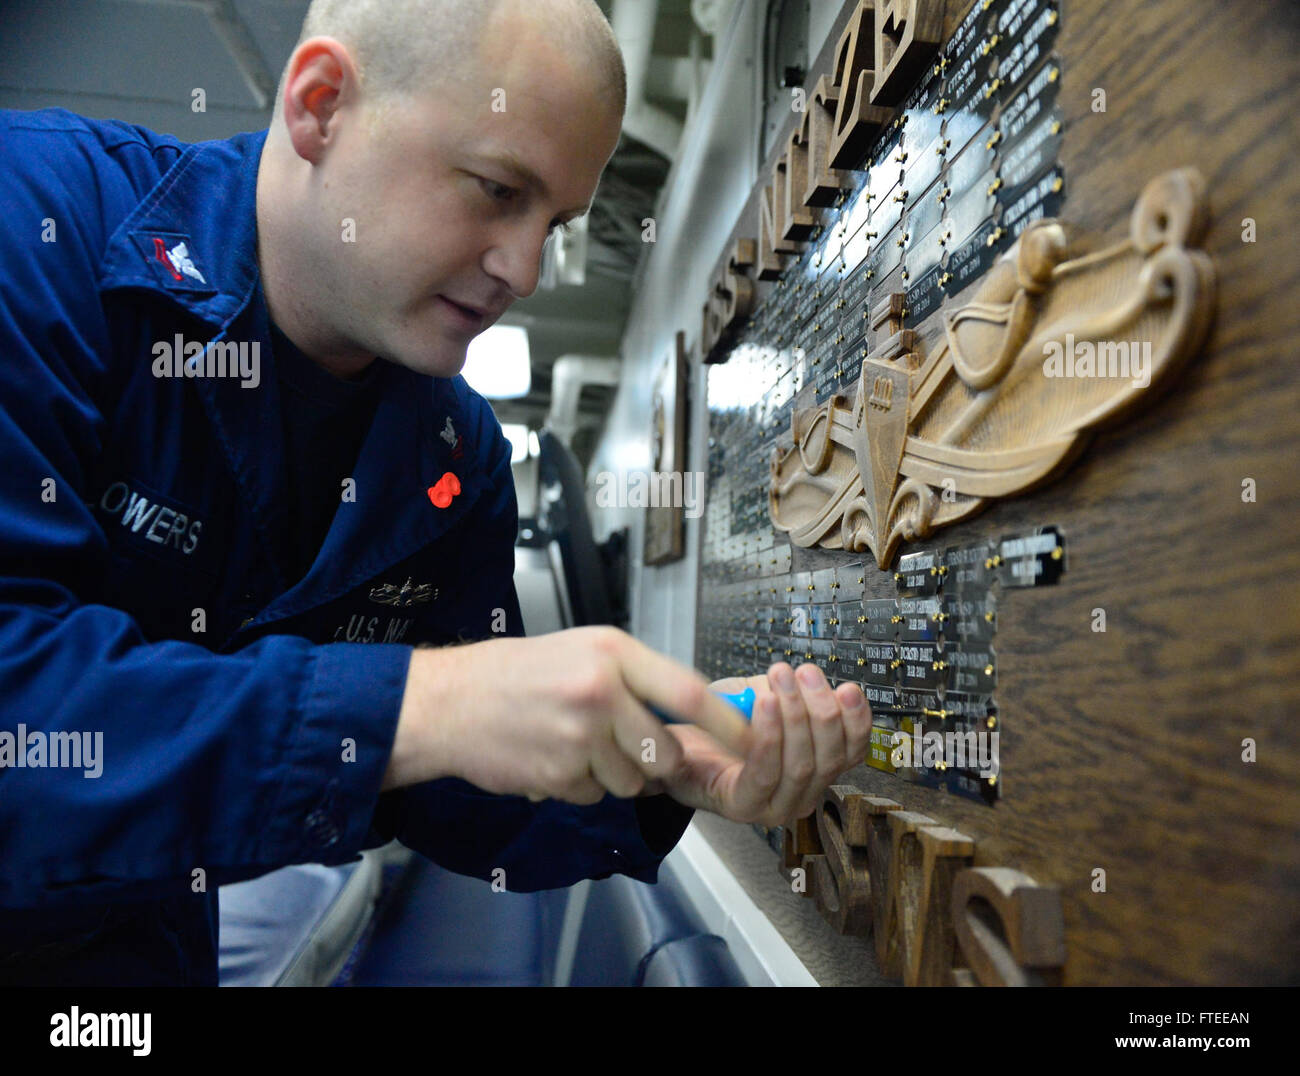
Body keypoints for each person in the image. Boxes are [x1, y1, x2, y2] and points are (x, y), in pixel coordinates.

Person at [0, 0, 872, 986]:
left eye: (556, 222)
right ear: (321, 104)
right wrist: (425, 703)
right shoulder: (36, 226)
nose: (526, 268)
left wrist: (669, 763)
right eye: (498, 190)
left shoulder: (455, 453)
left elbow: (451, 790)